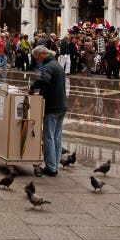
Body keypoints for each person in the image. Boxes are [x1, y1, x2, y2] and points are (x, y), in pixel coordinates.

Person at [28, 45, 67, 177]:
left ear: (42, 54)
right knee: (56, 137)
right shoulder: (56, 64)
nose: (36, 60)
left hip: (52, 106)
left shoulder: (49, 66)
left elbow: (44, 80)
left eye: (36, 57)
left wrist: (33, 87)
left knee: (48, 137)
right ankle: (55, 165)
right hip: (61, 106)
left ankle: (51, 167)